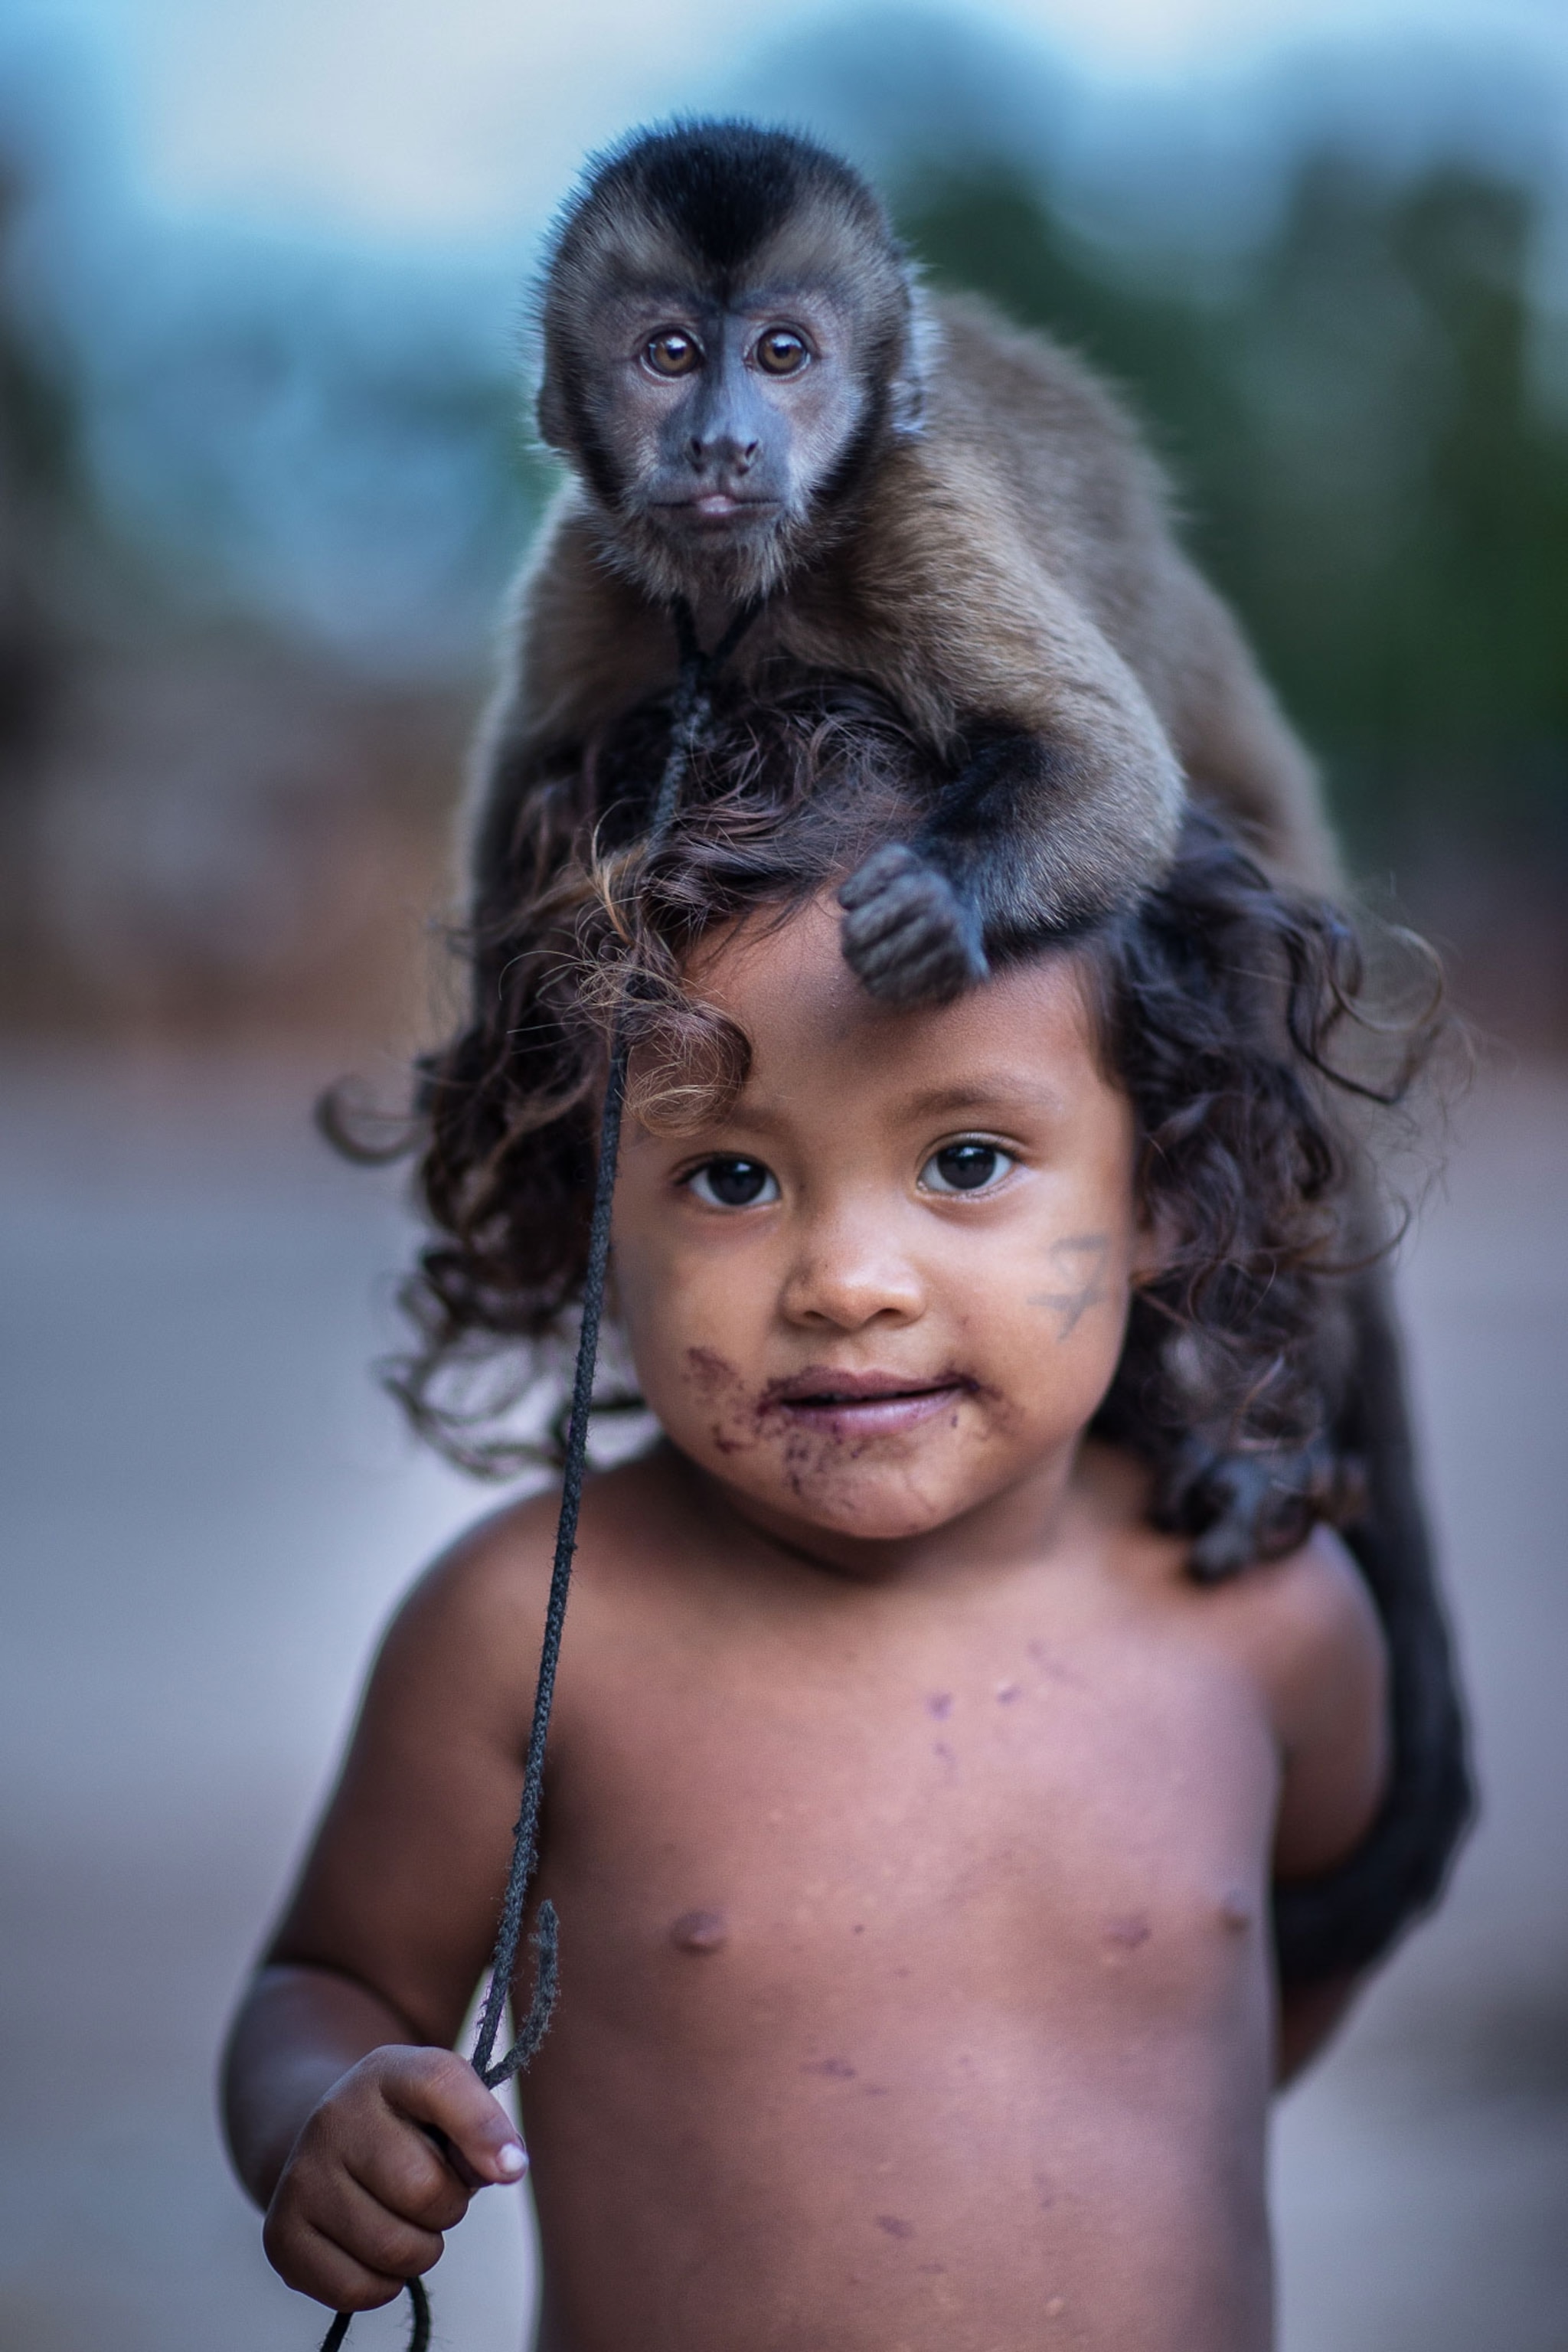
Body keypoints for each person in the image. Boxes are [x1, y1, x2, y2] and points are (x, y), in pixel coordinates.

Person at [223, 681, 1446, 2350]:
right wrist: (323, 2117)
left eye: (963, 1161)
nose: (849, 1285)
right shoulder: (536, 1633)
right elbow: (331, 1977)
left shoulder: (1268, 1619)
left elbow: (1319, 1923)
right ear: (593, 1214)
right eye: (729, 1177)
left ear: (1156, 1189)